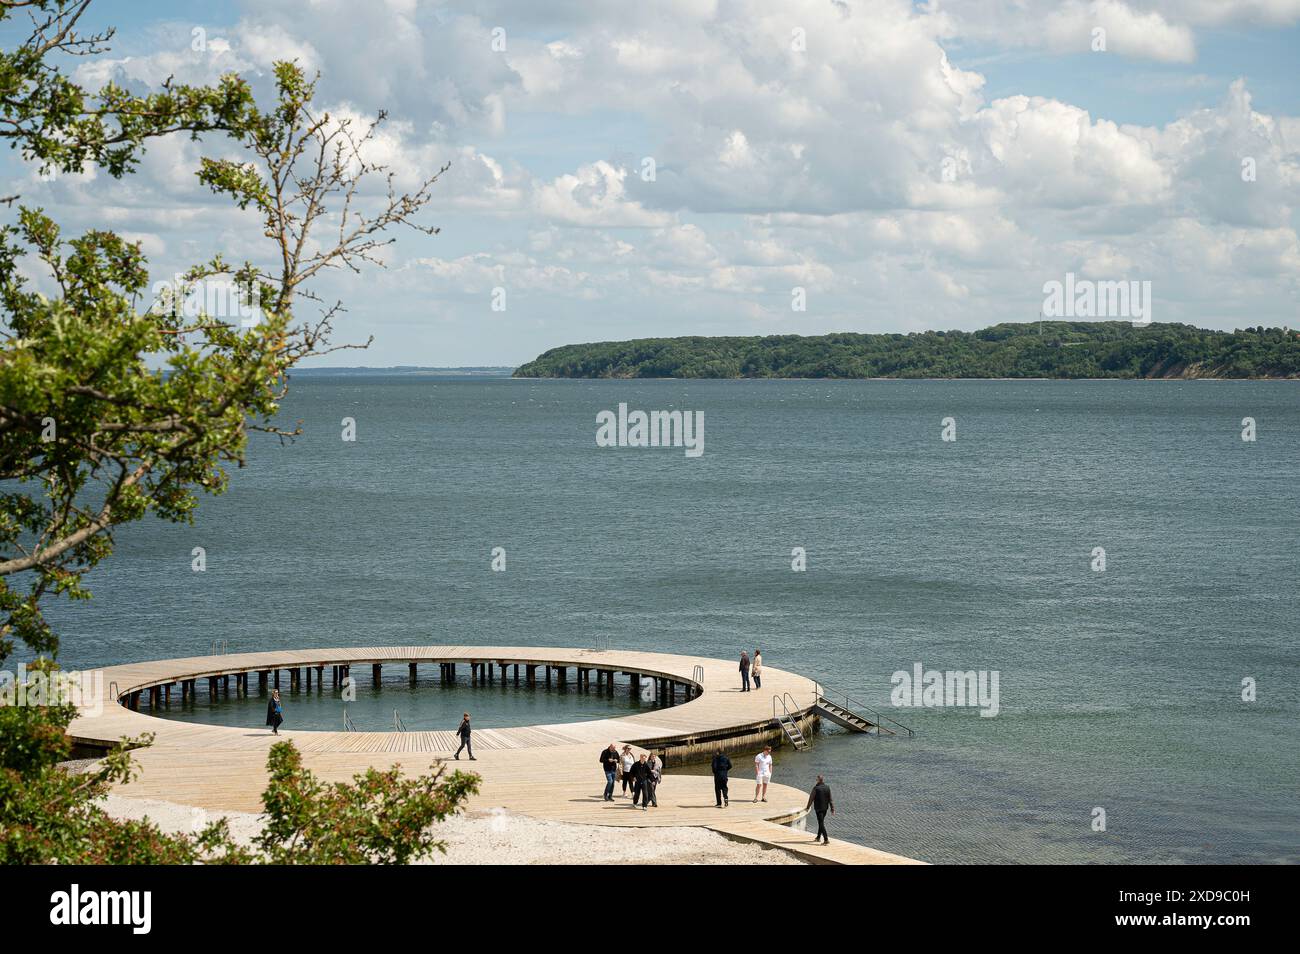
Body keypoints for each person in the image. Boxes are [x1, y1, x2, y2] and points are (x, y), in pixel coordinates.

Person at [806, 775, 835, 844]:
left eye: (817, 779)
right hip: (825, 808)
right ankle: (818, 837)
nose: (816, 780)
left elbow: (811, 799)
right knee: (821, 822)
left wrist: (807, 807)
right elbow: (830, 799)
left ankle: (826, 839)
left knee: (821, 823)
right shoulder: (827, 787)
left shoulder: (816, 788)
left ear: (819, 780)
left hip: (818, 808)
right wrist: (832, 809)